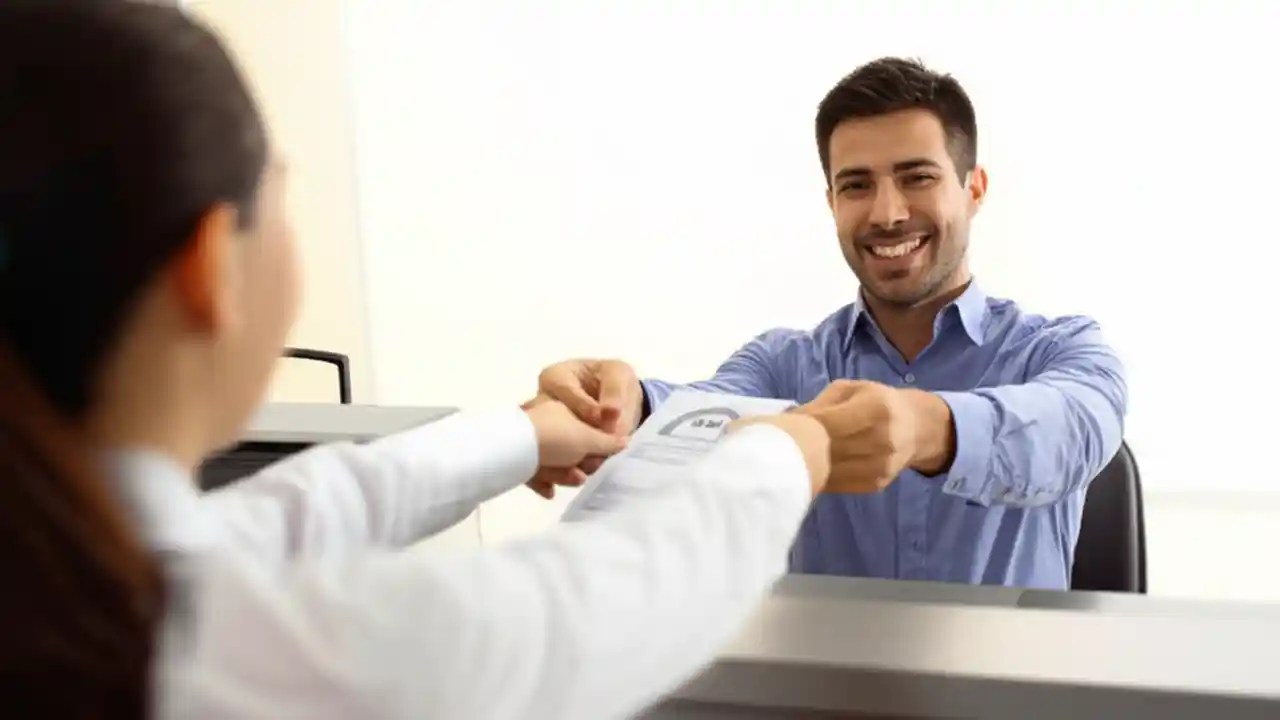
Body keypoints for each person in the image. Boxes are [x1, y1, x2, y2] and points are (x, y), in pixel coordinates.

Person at [0, 4, 841, 719]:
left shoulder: (75, 580)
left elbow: (312, 506)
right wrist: (790, 451)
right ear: (212, 267)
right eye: (281, 201)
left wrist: (524, 436)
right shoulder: (221, 648)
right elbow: (604, 600)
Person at [533, 57, 1128, 591]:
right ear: (832, 204)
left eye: (917, 177)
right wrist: (614, 405)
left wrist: (923, 427)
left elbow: (1074, 428)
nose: (887, 213)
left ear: (974, 189)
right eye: (857, 186)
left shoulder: (1064, 351)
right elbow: (694, 413)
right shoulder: (784, 365)